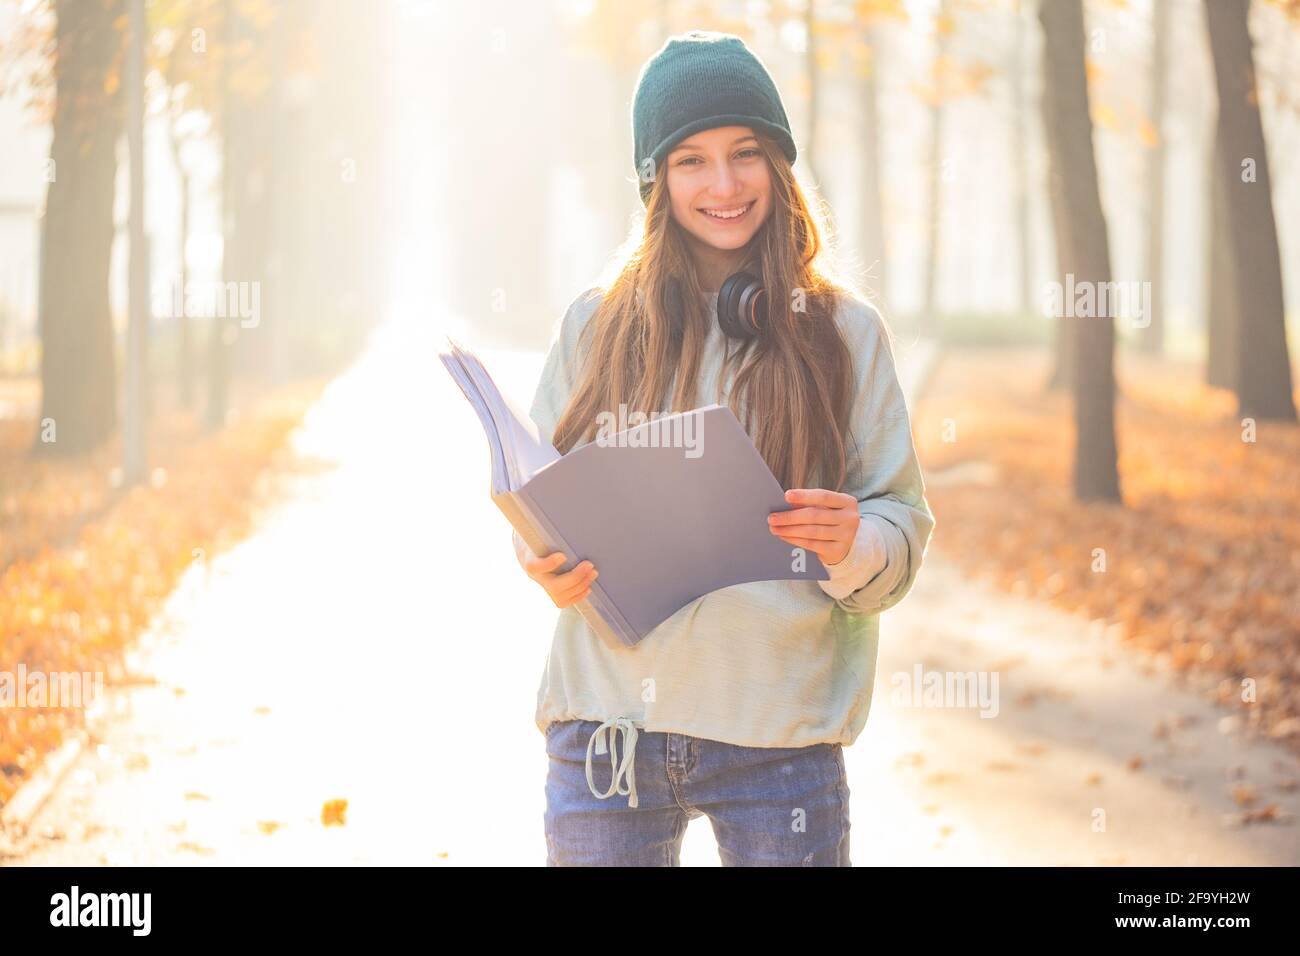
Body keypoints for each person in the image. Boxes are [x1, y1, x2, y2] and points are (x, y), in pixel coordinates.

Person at [516, 30, 935, 866]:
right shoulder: (593, 327)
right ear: (656, 181)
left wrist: (855, 540)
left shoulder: (846, 334)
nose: (724, 184)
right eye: (691, 161)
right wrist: (544, 561)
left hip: (781, 740)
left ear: (780, 167)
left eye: (745, 154)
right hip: (608, 735)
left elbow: (902, 526)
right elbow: (543, 503)